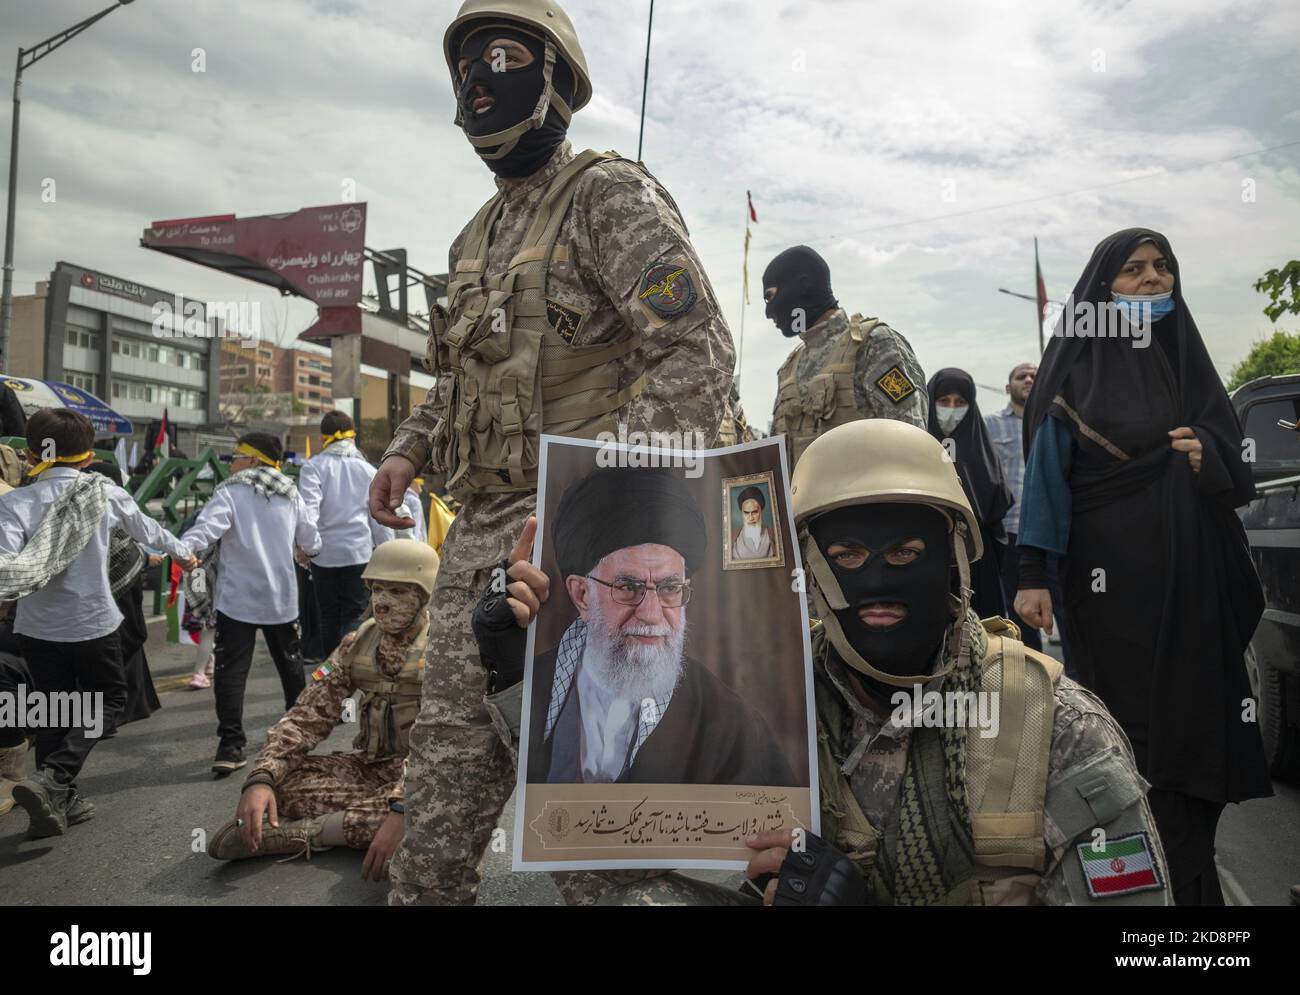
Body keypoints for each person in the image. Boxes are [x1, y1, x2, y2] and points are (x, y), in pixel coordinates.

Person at [368, 0, 734, 905]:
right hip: (480, 539)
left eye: (502, 58)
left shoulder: (609, 196)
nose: (478, 83)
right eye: (464, 70)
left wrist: (583, 484)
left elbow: (700, 358)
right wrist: (409, 449)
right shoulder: (469, 241)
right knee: (448, 774)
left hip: (581, 546)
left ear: (556, 80)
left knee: (592, 801)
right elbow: (455, 382)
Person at [735, 420, 1170, 906]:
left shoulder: (1056, 728)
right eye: (846, 556)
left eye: (905, 553)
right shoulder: (768, 712)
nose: (877, 581)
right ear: (811, 570)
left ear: (954, 560)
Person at [1013, 228, 1272, 905]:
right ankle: (1148, 891)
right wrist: (1033, 572)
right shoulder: (1072, 373)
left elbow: (1236, 458)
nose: (1153, 279)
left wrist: (1206, 456)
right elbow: (1046, 481)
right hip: (1110, 599)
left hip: (1195, 593)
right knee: (1131, 748)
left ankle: (1188, 886)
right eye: (1134, 270)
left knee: (1198, 740)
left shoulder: (1185, 358)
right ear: (1104, 288)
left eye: (1162, 267)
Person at [483, 466, 793, 786]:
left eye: (670, 588)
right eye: (629, 588)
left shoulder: (730, 724)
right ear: (581, 594)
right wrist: (507, 671)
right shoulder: (529, 682)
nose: (651, 613)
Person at [0, 409, 195, 838]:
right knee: (107, 702)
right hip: (91, 623)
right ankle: (53, 779)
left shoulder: (14, 502)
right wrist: (185, 553)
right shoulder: (104, 493)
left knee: (52, 708)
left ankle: (57, 805)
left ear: (31, 454)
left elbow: (7, 565)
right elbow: (149, 531)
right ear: (88, 457)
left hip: (35, 628)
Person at [207, 539, 440, 877]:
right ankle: (365, 823)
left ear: (424, 597)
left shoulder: (444, 652)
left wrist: (403, 804)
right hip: (371, 769)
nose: (382, 603)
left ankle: (302, 833)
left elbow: (444, 744)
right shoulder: (357, 644)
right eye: (376, 590)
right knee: (284, 783)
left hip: (424, 774)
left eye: (398, 591)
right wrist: (261, 778)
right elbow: (307, 715)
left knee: (440, 807)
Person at [179, 433, 321, 776]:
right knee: (290, 669)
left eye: (235, 457)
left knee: (231, 673)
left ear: (254, 460)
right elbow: (311, 540)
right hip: (281, 600)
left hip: (236, 602)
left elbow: (206, 530)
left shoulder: (229, 492)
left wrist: (182, 550)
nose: (231, 463)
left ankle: (231, 745)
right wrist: (307, 550)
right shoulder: (291, 493)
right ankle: (297, 738)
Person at [766, 245, 927, 466]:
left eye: (771, 296)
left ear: (802, 287)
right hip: (805, 501)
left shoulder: (874, 345)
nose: (768, 313)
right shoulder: (790, 369)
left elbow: (913, 439)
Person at [985, 362, 1072, 660]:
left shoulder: (1060, 419)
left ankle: (1079, 681)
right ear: (1009, 387)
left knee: (1068, 609)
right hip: (1013, 533)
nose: (1029, 379)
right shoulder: (991, 424)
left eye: (1035, 375)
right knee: (1023, 615)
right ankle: (1035, 676)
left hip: (1057, 533)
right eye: (1021, 376)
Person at [298, 412, 394, 658]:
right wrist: (387, 553)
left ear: (323, 437)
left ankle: (332, 672)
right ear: (353, 435)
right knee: (354, 614)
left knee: (328, 616)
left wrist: (308, 547)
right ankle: (352, 669)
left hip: (324, 555)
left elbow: (309, 512)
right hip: (359, 553)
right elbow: (379, 517)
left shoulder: (313, 467)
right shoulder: (368, 470)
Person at [925, 368, 1013, 620]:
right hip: (929, 556)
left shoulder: (981, 448)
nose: (951, 408)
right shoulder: (916, 444)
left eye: (960, 402)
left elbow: (997, 502)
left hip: (979, 562)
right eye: (943, 401)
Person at [730, 485, 775, 561]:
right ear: (741, 513)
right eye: (746, 513)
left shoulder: (773, 534)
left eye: (755, 512)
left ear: (761, 511)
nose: (751, 518)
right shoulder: (732, 537)